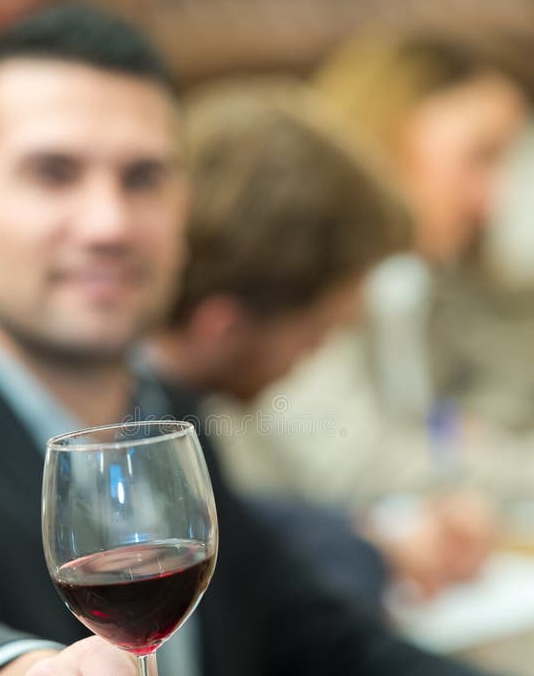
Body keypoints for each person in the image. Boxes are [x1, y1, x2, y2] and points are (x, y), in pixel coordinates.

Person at [0, 2, 534, 676]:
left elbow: (334, 657)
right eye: (53, 172)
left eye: (143, 178)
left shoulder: (165, 430)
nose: (107, 221)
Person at [151, 83, 496, 600]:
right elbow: (251, 563)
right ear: (222, 327)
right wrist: (370, 552)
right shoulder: (147, 441)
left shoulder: (183, 410)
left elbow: (261, 521)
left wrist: (370, 536)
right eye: (318, 335)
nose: (315, 355)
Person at [206, 34, 532, 505]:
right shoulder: (298, 275)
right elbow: (354, 467)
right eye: (479, 156)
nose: (493, 199)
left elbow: (504, 395)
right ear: (386, 139)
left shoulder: (427, 279)